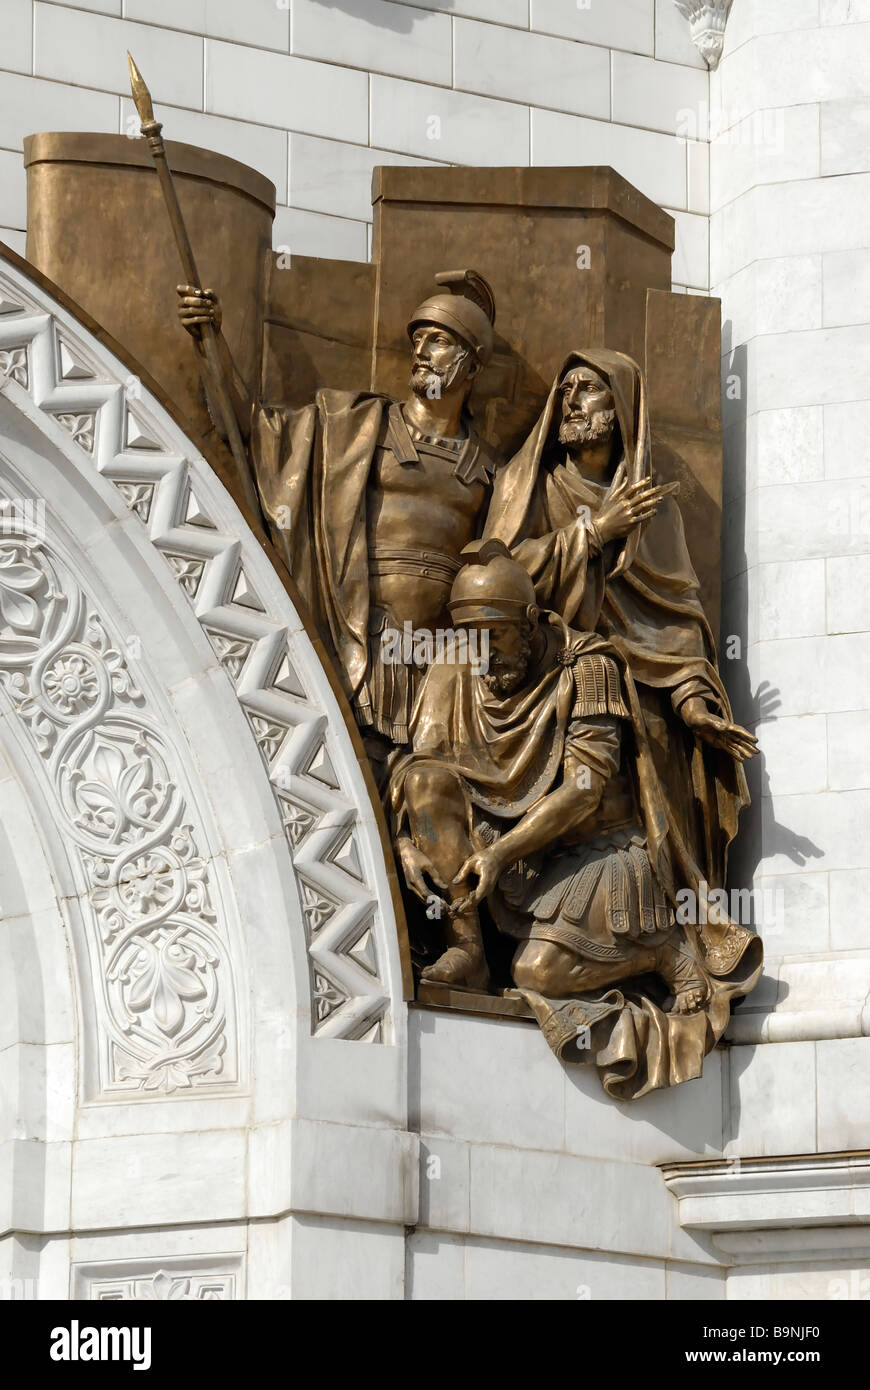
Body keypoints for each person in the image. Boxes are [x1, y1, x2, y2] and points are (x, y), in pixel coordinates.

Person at [391, 540, 761, 1097]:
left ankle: (664, 949)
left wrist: (498, 853)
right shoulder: (456, 667)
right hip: (503, 854)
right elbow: (418, 765)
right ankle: (466, 949)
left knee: (534, 974)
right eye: (471, 639)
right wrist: (404, 841)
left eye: (495, 638)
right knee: (424, 782)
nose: (482, 654)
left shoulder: (589, 667)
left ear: (533, 622)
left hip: (594, 851)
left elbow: (586, 790)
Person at [177, 270, 498, 780]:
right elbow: (251, 427)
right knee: (355, 777)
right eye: (417, 340)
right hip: (361, 639)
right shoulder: (356, 426)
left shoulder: (490, 469)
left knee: (426, 786)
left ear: (471, 363)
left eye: (438, 342)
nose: (421, 352)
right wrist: (210, 340)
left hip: (439, 661)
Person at [482, 349, 757, 891]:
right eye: (566, 391)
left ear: (623, 408)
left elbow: (679, 627)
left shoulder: (658, 513)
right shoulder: (531, 486)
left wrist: (695, 705)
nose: (572, 402)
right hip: (552, 675)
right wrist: (593, 533)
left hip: (640, 692)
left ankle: (665, 923)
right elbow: (499, 580)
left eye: (588, 389)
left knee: (656, 738)